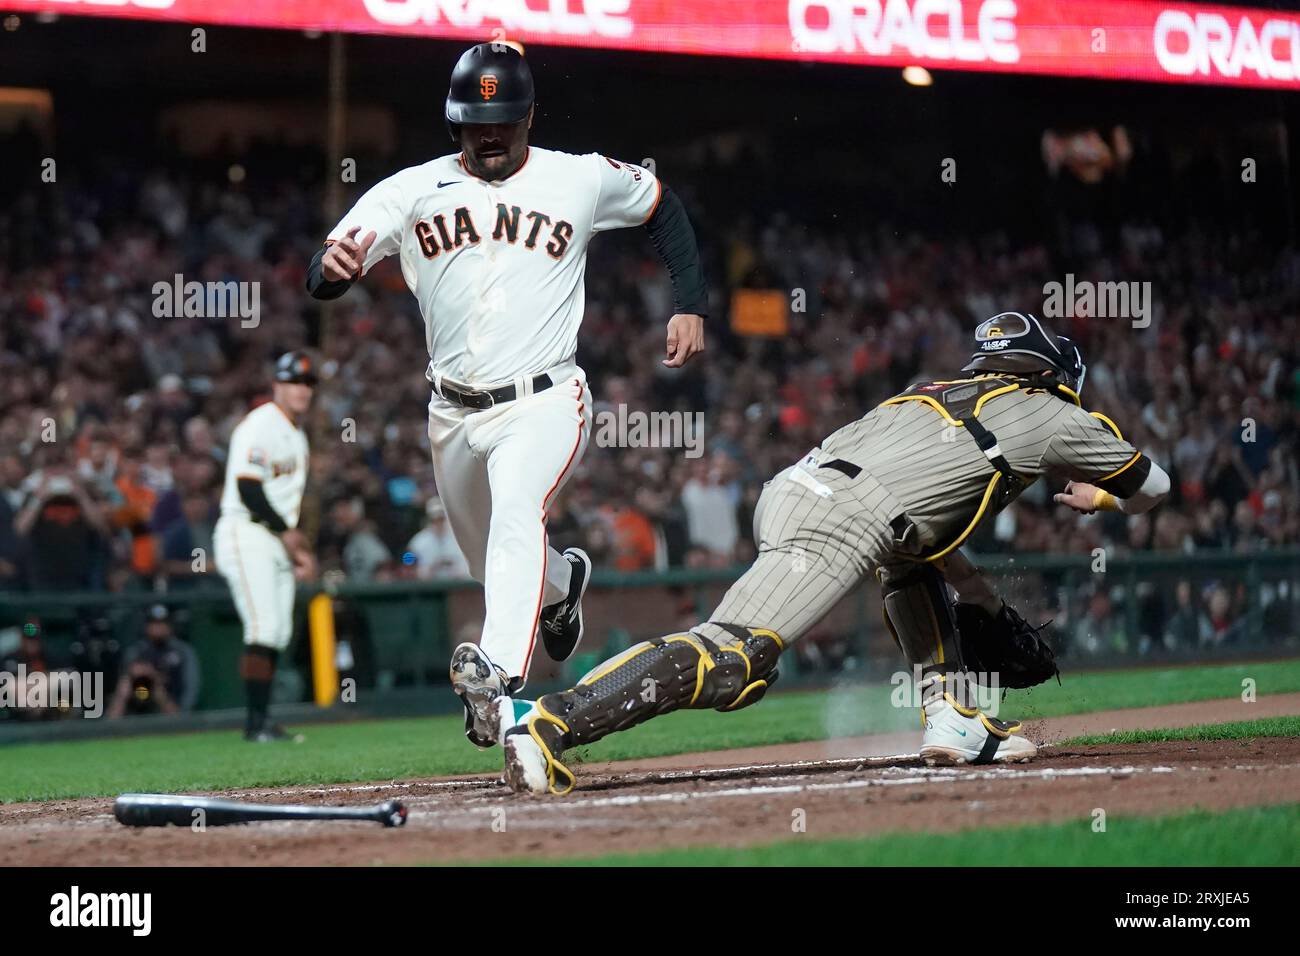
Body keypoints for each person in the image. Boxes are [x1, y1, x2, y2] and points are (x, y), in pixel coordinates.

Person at [493, 312, 1172, 793]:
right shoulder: (1053, 411)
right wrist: (1102, 499)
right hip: (846, 515)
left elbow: (923, 539)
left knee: (909, 561)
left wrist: (985, 600)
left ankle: (953, 719)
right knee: (735, 658)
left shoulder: (932, 393)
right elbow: (1153, 488)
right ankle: (549, 720)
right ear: (1056, 376)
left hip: (810, 487)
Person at [306, 42, 708, 749]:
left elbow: (662, 205)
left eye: (502, 121)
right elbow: (326, 269)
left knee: (519, 509)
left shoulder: (576, 179)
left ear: (527, 118)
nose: (488, 135)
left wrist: (690, 302)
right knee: (488, 557)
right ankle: (562, 582)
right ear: (454, 122)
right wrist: (333, 270)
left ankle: (496, 676)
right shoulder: (409, 190)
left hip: (546, 398)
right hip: (452, 412)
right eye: (474, 123)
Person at [213, 351, 317, 742]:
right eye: (293, 382)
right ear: (276, 384)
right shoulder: (259, 425)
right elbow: (247, 486)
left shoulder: (296, 433)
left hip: (273, 536)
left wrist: (296, 546)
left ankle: (262, 722)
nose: (301, 389)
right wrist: (286, 534)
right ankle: (254, 725)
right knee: (263, 626)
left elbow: (283, 501)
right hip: (246, 531)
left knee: (278, 632)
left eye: (307, 383)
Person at [108, 604, 200, 717]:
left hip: (171, 705)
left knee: (156, 688)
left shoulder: (183, 652)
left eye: (162, 623)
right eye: (154, 623)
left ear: (170, 625)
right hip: (141, 701)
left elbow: (191, 690)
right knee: (126, 684)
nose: (158, 627)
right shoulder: (136, 652)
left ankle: (176, 722)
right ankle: (111, 728)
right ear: (146, 626)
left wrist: (155, 678)